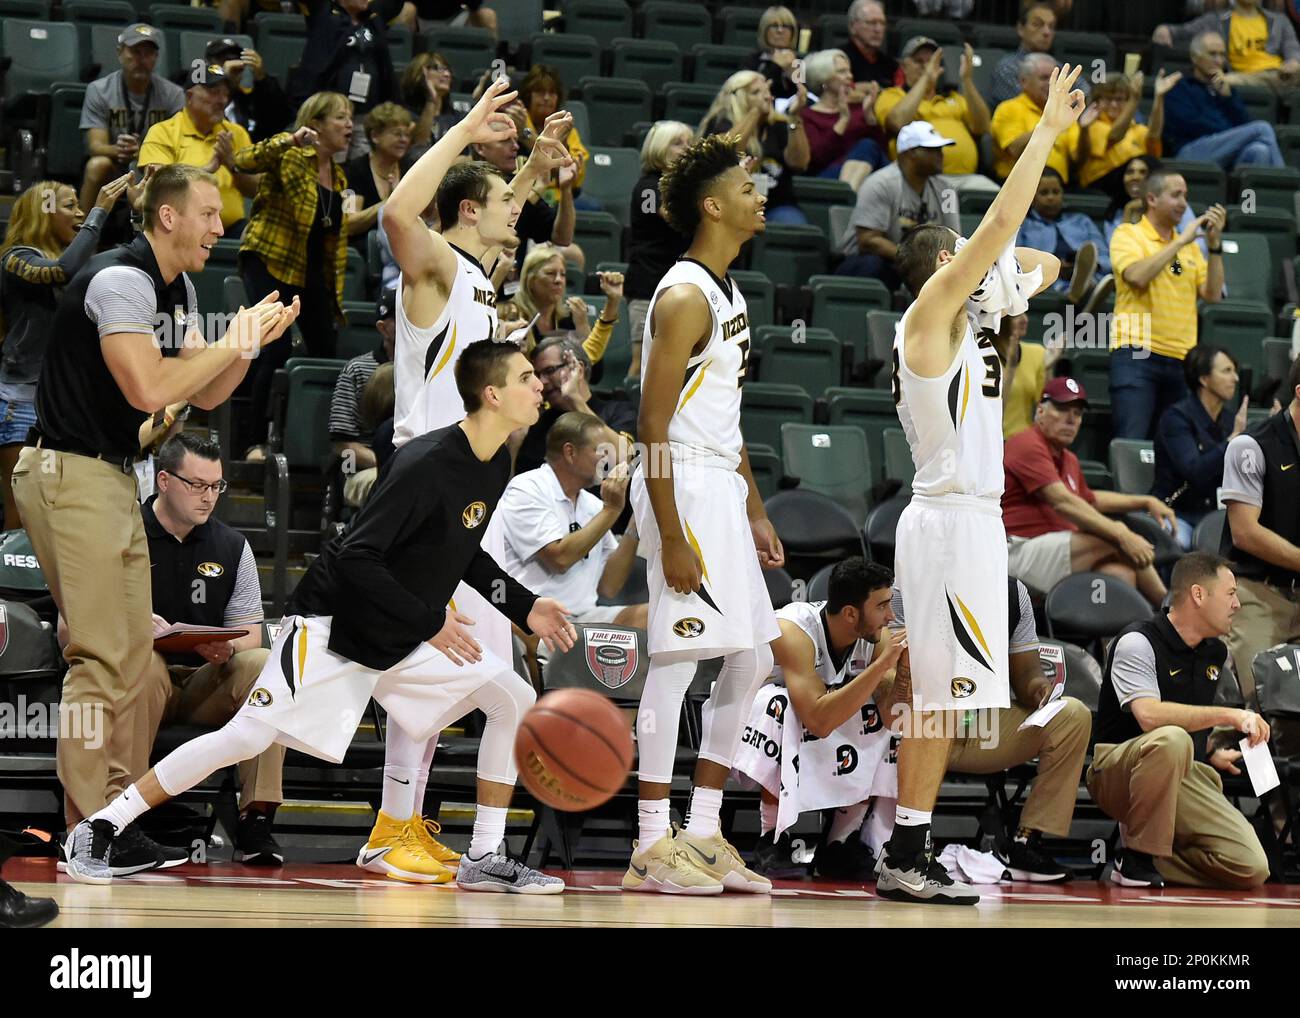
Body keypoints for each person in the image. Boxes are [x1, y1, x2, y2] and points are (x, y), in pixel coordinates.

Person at [63, 340, 576, 891]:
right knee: (245, 738)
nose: (539, 385)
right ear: (492, 394)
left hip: (397, 631)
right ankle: (99, 829)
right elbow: (358, 556)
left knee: (513, 697)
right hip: (334, 626)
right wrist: (429, 622)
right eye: (527, 377)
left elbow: (462, 549)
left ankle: (483, 855)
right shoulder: (425, 462)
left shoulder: (495, 461)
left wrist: (525, 606)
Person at [10, 163, 298, 842]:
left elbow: (204, 392)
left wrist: (248, 346)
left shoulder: (182, 288)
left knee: (131, 657)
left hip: (108, 474)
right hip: (69, 470)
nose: (220, 227)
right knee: (100, 658)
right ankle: (88, 826)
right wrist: (234, 337)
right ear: (167, 216)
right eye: (207, 213)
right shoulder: (121, 282)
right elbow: (147, 389)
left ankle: (115, 813)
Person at [879, 63, 1079, 905]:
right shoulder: (928, 320)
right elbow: (1006, 227)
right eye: (966, 262)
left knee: (944, 700)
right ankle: (907, 850)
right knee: (936, 698)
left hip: (974, 524)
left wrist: (999, 279)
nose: (983, 266)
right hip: (947, 521)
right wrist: (1043, 136)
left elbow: (1045, 264)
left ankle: (909, 846)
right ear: (944, 267)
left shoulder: (974, 318)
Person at [371, 80, 573, 880]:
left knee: (473, 676)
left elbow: (492, 225)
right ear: (464, 214)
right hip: (423, 489)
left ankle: (413, 826)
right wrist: (463, 129)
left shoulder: (482, 278)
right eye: (503, 203)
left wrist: (529, 171)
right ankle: (395, 824)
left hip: (468, 495)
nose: (516, 214)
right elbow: (397, 215)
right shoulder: (433, 270)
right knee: (445, 668)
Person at [624, 133, 785, 896]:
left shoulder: (731, 291)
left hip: (717, 483)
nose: (762, 196)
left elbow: (726, 414)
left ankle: (707, 830)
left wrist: (753, 506)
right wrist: (677, 533)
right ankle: (651, 842)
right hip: (678, 482)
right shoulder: (684, 294)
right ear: (713, 206)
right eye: (748, 188)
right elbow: (652, 428)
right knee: (679, 659)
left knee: (752, 656)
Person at [136, 433, 286, 866]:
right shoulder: (125, 535)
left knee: (263, 664)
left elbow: (251, 632)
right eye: (196, 485)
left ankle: (256, 819)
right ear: (163, 480)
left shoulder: (233, 546)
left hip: (204, 680)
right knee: (143, 662)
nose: (208, 497)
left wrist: (224, 644)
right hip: (145, 677)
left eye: (216, 486)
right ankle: (127, 813)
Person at [1089, 553, 1271, 889]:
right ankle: (1137, 860)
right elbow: (1149, 716)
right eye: (1230, 593)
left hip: (1182, 771)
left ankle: (1148, 858)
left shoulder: (1216, 653)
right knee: (1171, 739)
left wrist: (1209, 749)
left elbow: (1189, 722)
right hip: (1117, 773)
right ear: (1199, 595)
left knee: (1251, 868)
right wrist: (1230, 715)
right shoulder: (1137, 642)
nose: (1237, 605)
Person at [895, 577, 1089, 882]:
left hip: (980, 726)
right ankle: (896, 842)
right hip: (918, 724)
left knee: (1072, 716)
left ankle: (1025, 841)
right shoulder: (914, 583)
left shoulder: (1013, 592)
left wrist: (1038, 689)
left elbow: (1027, 672)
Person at [740, 559, 909, 880]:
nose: (890, 616)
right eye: (882, 606)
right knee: (783, 705)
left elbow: (890, 715)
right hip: (750, 716)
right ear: (850, 613)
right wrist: (882, 664)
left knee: (885, 722)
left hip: (818, 711)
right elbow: (816, 719)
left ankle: (839, 844)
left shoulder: (877, 636)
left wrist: (902, 673)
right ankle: (772, 837)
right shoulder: (794, 630)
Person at [0, 175, 129, 530]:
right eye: (71, 206)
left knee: (59, 519)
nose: (81, 212)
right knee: (21, 519)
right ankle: (13, 588)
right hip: (22, 402)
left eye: (82, 206)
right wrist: (100, 211)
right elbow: (60, 270)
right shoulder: (15, 259)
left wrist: (139, 211)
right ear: (42, 213)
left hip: (65, 408)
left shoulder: (81, 266)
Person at [233, 92, 354, 458]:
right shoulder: (289, 154)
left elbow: (333, 240)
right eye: (341, 118)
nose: (350, 125)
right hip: (269, 257)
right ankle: (253, 442)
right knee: (275, 344)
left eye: (351, 118)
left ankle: (314, 445)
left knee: (326, 349)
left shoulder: (340, 176)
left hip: (309, 268)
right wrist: (289, 138)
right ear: (315, 124)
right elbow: (243, 160)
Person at [1003, 376, 1174, 604]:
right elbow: (1063, 502)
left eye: (1077, 413)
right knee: (1111, 539)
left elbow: (1089, 500)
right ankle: (1170, 611)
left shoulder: (1069, 459)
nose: (1071, 419)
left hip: (1058, 553)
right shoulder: (1026, 444)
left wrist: (1144, 501)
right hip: (1016, 551)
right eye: (1062, 409)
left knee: (1119, 575)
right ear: (1040, 411)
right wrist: (1121, 533)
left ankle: (1116, 641)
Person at [499, 411, 646, 660]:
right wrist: (612, 510)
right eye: (601, 451)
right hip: (535, 617)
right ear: (570, 452)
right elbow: (559, 559)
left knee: (656, 618)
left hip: (585, 618)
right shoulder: (527, 488)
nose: (608, 461)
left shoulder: (592, 504)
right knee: (531, 634)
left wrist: (635, 520)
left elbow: (609, 586)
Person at [1109, 169, 1226, 440]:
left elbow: (1213, 294)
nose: (1184, 203)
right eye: (1176, 195)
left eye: (1185, 196)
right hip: (1136, 352)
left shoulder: (1191, 247)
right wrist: (1181, 241)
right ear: (1151, 199)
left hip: (1181, 359)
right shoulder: (1128, 234)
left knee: (1173, 451)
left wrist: (1215, 246)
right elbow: (1137, 276)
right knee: (1132, 441)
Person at [1219, 355, 1300, 742]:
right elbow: (1245, 533)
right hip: (1256, 593)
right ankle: (1254, 798)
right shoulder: (1251, 447)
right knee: (1260, 703)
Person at [78, 24, 185, 232]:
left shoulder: (174, 95)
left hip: (154, 165)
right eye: (135, 52)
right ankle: (83, 237)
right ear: (120, 53)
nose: (141, 59)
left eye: (148, 53)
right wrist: (118, 150)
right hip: (115, 165)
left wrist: (144, 152)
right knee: (96, 165)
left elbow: (179, 145)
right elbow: (95, 145)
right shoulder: (99, 90)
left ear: (156, 58)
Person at [137, 63, 259, 237]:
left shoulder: (235, 134)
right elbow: (160, 186)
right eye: (214, 92)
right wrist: (206, 170)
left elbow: (257, 189)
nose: (222, 100)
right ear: (189, 96)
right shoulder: (163, 132)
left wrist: (233, 167)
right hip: (179, 228)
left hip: (231, 229)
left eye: (225, 94)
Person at [836, 121, 960, 287]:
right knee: (874, 266)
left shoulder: (947, 191)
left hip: (917, 266)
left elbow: (954, 238)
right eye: (932, 150)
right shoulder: (880, 184)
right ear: (910, 153)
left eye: (940, 149)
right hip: (864, 262)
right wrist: (916, 262)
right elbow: (869, 240)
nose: (941, 155)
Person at [1153, 345, 1249, 550]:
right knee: (1180, 543)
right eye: (1226, 371)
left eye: (1235, 371)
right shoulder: (1176, 418)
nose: (1235, 379)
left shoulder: (1231, 420)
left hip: (1217, 516)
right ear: (1204, 379)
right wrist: (1232, 441)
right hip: (1178, 513)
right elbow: (1194, 470)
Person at [875, 38, 996, 189]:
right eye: (919, 61)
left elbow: (983, 126)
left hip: (965, 179)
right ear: (904, 67)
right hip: (920, 179)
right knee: (947, 207)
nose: (927, 67)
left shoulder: (954, 98)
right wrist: (926, 78)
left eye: (931, 62)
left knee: (1000, 201)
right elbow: (896, 122)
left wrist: (967, 80)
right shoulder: (892, 95)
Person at [470, 111, 579, 275]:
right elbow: (498, 220)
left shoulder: (519, 183)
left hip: (507, 296)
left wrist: (566, 190)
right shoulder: (466, 182)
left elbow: (562, 237)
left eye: (515, 139)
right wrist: (536, 187)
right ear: (480, 147)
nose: (515, 146)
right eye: (505, 140)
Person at [625, 121, 692, 379]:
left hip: (676, 287)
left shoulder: (681, 189)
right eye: (678, 143)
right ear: (659, 148)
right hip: (648, 285)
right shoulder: (648, 188)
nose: (686, 148)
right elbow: (674, 216)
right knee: (642, 360)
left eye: (689, 142)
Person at [515, 337, 638, 475]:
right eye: (538, 375)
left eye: (549, 370)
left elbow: (625, 458)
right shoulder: (542, 423)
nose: (542, 381)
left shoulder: (619, 410)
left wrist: (575, 400)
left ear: (578, 369)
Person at [1161, 32, 1284, 169]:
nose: (1219, 61)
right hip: (1190, 150)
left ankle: (1249, 191)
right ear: (1195, 57)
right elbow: (1189, 124)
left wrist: (1228, 98)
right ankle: (1287, 187)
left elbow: (1245, 123)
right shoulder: (1179, 85)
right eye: (1212, 54)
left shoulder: (1226, 88)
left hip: (1225, 148)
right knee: (1262, 128)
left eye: (1222, 54)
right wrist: (1229, 132)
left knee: (1259, 150)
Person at [699, 71, 809, 225]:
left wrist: (794, 116)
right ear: (738, 98)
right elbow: (729, 152)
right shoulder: (720, 123)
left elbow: (799, 162)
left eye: (766, 91)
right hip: (733, 203)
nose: (765, 97)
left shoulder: (778, 125)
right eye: (756, 92)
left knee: (793, 224)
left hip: (777, 203)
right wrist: (755, 111)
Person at [296, 0, 401, 158]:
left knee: (359, 172)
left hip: (366, 115)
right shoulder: (323, 10)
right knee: (332, 164)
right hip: (331, 115)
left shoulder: (374, 15)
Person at [329, 288, 396, 507]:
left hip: (411, 464)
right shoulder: (356, 370)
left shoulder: (429, 370)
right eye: (402, 318)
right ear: (383, 328)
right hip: (364, 470)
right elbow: (343, 446)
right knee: (395, 485)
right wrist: (387, 463)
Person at [1153, 0, 1300, 90]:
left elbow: (1293, 49)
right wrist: (1165, 29)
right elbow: (1184, 31)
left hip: (1279, 76)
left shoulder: (1279, 20)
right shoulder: (1215, 20)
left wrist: (1293, 62)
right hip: (1242, 76)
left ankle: (1238, 79)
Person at [1016, 168, 1110, 305]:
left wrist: (1096, 266)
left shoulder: (1081, 220)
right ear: (1032, 197)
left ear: (1062, 194)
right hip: (1047, 277)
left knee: (1092, 274)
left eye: (1055, 192)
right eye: (1044, 193)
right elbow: (1016, 259)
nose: (1051, 197)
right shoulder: (1024, 225)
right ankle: (1082, 292)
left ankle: (1083, 283)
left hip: (1086, 271)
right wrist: (1057, 269)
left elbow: (1105, 255)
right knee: (1056, 281)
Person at [512, 245, 623, 362]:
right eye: (550, 273)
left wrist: (583, 326)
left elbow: (591, 370)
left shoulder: (568, 317)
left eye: (563, 274)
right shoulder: (514, 316)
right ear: (530, 280)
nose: (558, 280)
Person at [992, 53, 1089, 184]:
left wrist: (1085, 130)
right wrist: (1049, 125)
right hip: (1016, 184)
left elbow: (1078, 158)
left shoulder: (1063, 111)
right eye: (1044, 78)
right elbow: (1015, 150)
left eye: (1055, 78)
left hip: (1057, 188)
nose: (1051, 84)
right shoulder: (1008, 109)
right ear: (1023, 82)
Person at [1076, 71, 1175, 192]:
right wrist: (1134, 99)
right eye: (1108, 99)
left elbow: (1153, 137)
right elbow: (1114, 136)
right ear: (1097, 101)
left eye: (1119, 99)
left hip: (1133, 184)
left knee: (1151, 166)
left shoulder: (1136, 128)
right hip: (1101, 183)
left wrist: (1159, 97)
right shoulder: (1092, 125)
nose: (1114, 104)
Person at [800, 49, 884, 191]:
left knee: (867, 146)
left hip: (871, 176)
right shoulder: (808, 116)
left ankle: (847, 198)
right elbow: (817, 158)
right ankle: (846, 197)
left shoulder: (859, 108)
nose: (850, 76)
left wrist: (869, 115)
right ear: (823, 78)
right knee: (865, 146)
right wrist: (843, 120)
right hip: (826, 179)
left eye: (849, 71)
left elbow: (880, 149)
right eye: (842, 72)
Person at [342, 102, 414, 253]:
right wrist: (389, 202)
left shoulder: (410, 168)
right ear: (375, 136)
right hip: (365, 251)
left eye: (407, 134)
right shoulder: (355, 170)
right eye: (397, 133)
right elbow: (349, 223)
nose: (404, 140)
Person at [519, 66, 590, 209]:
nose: (546, 98)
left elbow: (574, 173)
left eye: (552, 93)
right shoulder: (517, 120)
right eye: (540, 92)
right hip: (523, 193)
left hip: (558, 196)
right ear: (528, 95)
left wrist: (529, 138)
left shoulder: (566, 129)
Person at [988, 2, 1085, 107]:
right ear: (1021, 29)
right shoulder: (1007, 68)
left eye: (1051, 26)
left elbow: (1086, 94)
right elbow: (1032, 104)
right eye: (1037, 24)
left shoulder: (1059, 67)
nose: (1046, 32)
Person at [204, 37, 295, 144]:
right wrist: (221, 79)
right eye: (223, 60)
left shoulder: (250, 99)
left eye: (236, 59)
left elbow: (279, 121)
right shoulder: (199, 96)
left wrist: (262, 79)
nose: (231, 65)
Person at [400, 52, 461, 159]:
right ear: (421, 73)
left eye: (447, 70)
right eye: (438, 69)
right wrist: (431, 99)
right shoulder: (405, 115)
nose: (447, 74)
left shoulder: (457, 117)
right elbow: (418, 149)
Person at [844, 0, 903, 91]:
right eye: (871, 23)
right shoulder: (840, 60)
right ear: (853, 27)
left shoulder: (891, 65)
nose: (878, 29)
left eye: (882, 23)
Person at [752, 6, 802, 102]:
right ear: (764, 30)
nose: (780, 30)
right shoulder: (753, 60)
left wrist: (792, 75)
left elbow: (801, 95)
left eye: (786, 26)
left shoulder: (798, 61)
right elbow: (755, 90)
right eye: (774, 26)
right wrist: (776, 65)